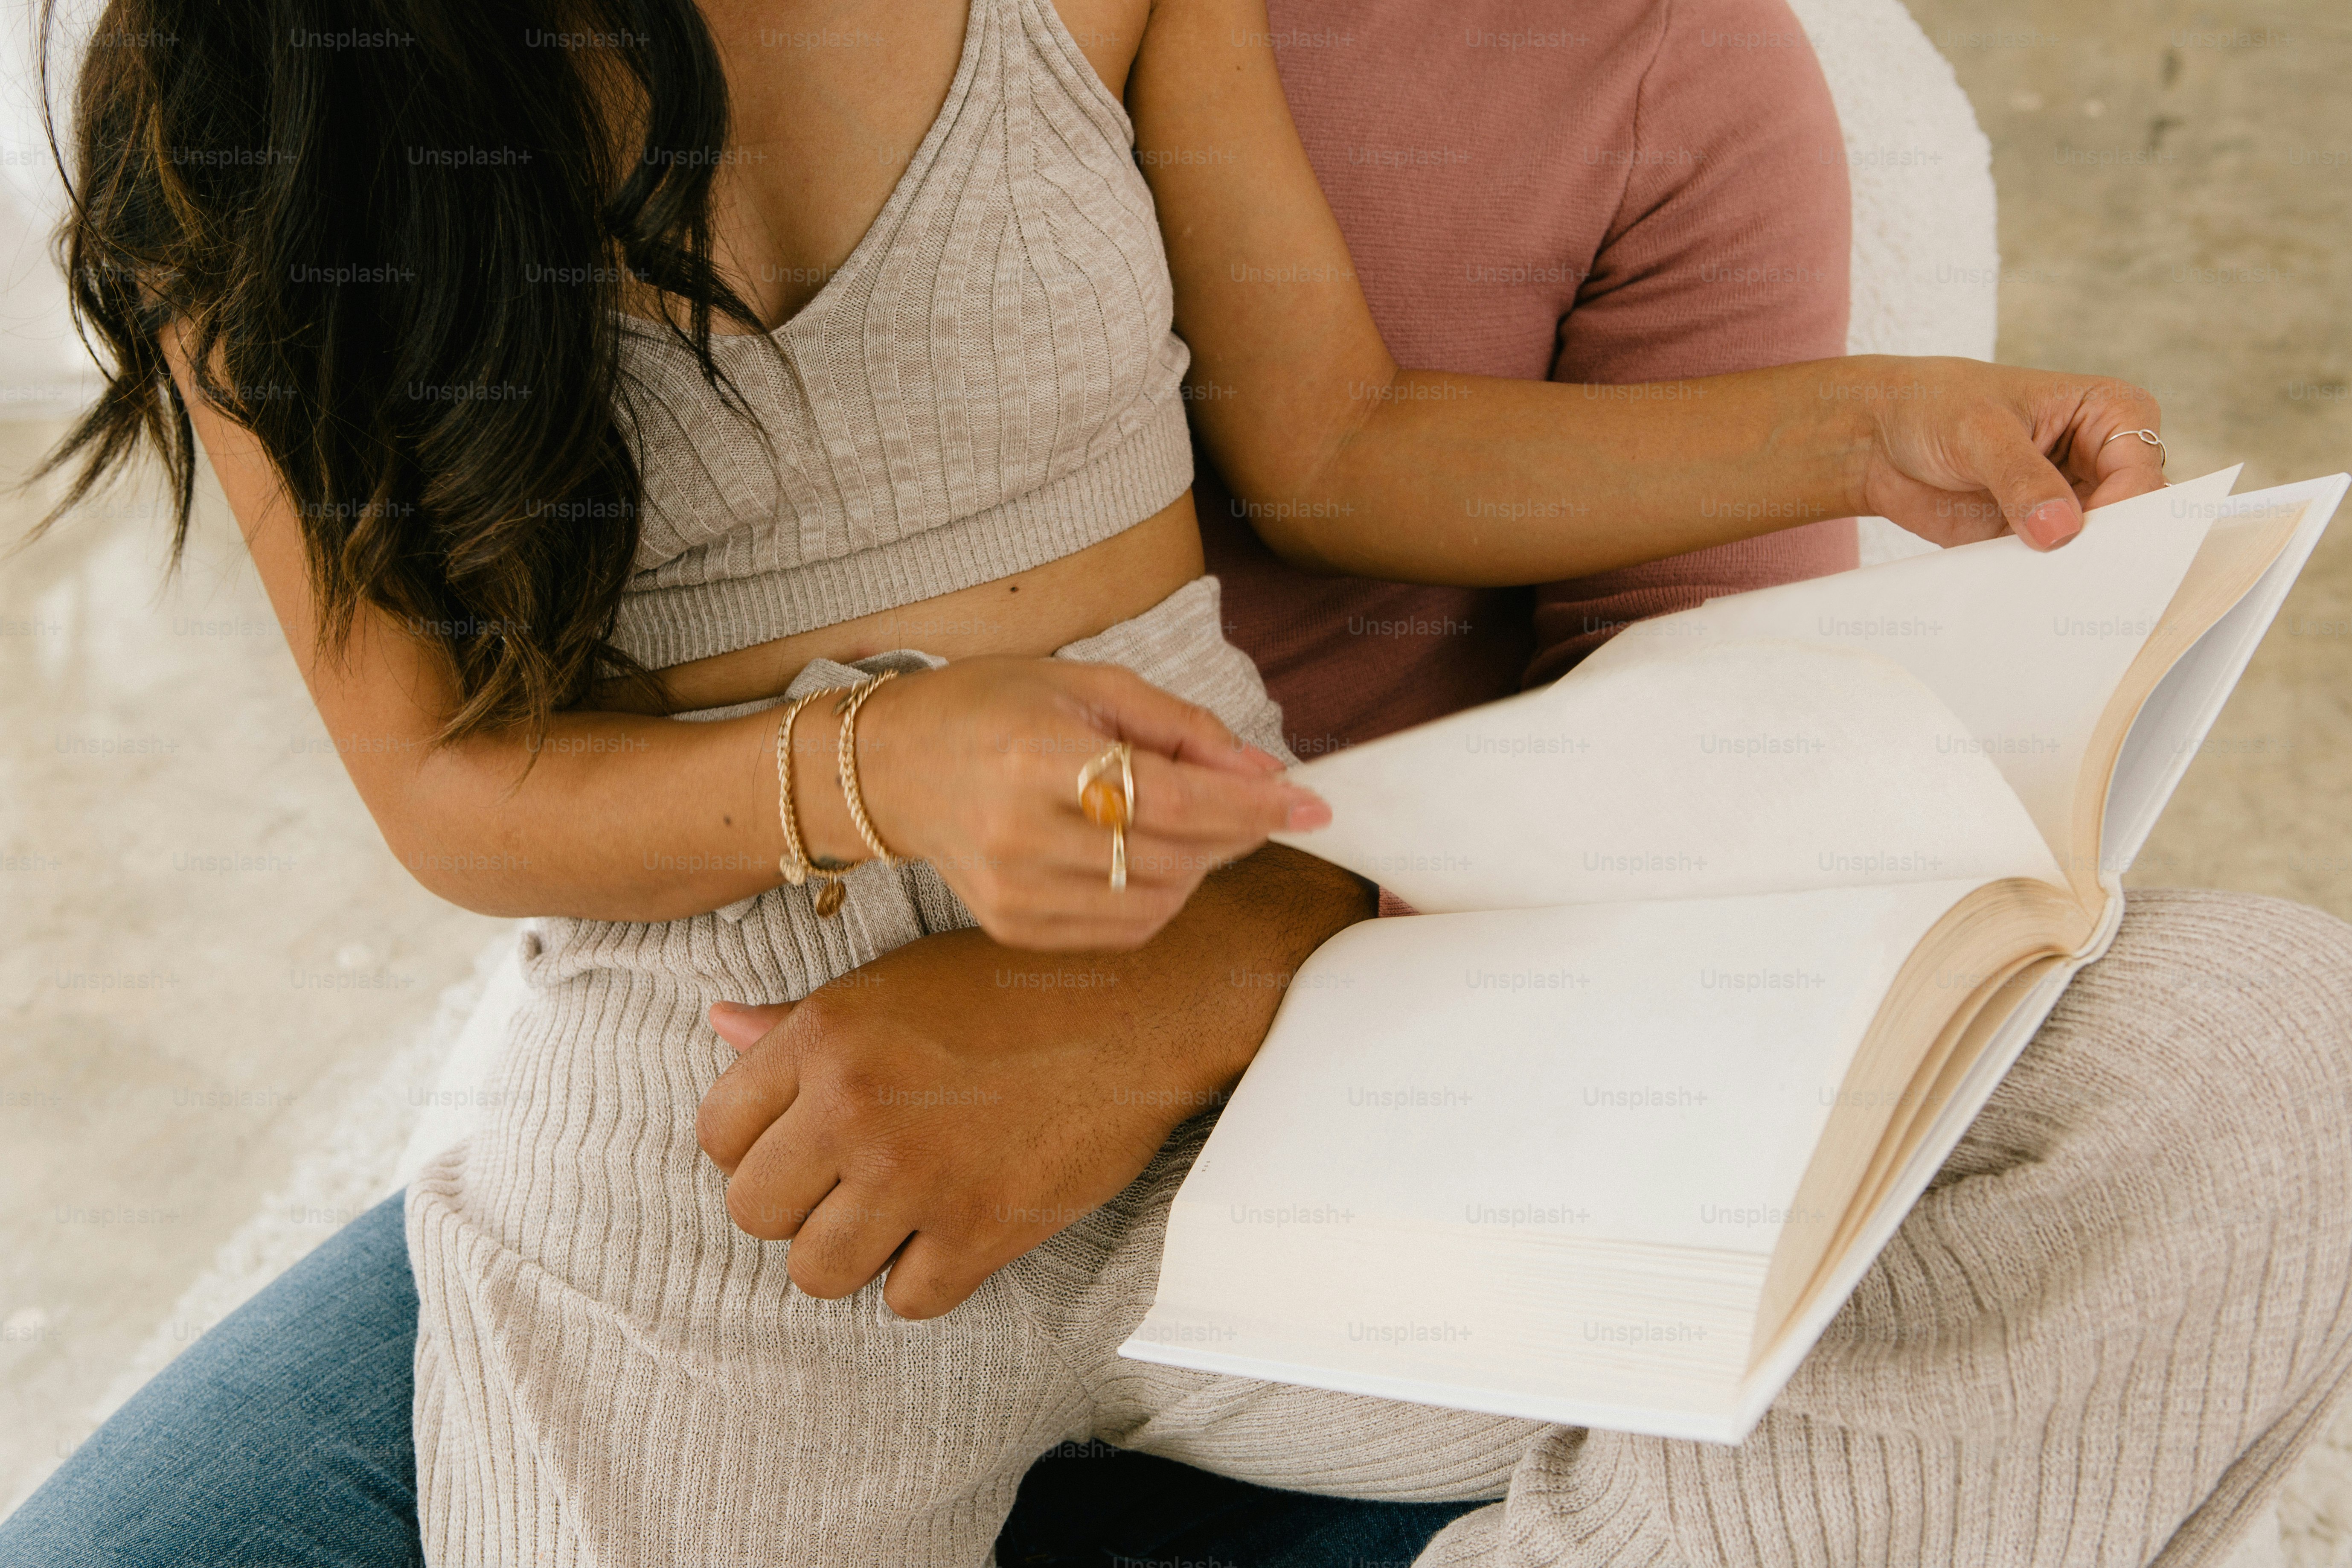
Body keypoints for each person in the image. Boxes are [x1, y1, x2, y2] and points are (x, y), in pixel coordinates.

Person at [8, 2, 2346, 1566]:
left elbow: (1338, 448)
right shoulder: (242, 75)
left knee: (2257, 1055)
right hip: (737, 1140)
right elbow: (442, 780)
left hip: (1279, 1025)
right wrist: (881, 763)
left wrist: (1868, 420)